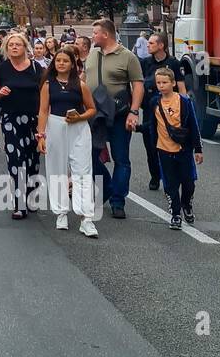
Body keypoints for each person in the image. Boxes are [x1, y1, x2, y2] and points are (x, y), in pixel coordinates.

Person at [85, 18, 144, 220]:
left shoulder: (128, 57)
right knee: (88, 157)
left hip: (119, 115)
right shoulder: (92, 55)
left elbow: (137, 85)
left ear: (106, 34)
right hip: (95, 115)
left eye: (95, 33)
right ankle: (108, 187)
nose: (93, 36)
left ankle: (118, 201)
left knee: (121, 159)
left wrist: (134, 112)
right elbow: (84, 80)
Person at [37, 45, 98, 237]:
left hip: (78, 128)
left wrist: (79, 117)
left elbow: (91, 109)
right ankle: (61, 211)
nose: (61, 64)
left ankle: (86, 217)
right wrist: (41, 135)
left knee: (82, 171)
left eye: (65, 61)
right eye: (58, 61)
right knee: (57, 170)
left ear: (73, 64)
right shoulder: (48, 85)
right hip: (54, 127)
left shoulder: (80, 84)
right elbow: (43, 110)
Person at [0, 31, 43, 219]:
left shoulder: (37, 69)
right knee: (15, 159)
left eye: (17, 44)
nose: (14, 47)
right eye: (10, 45)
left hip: (33, 120)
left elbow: (45, 96)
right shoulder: (1, 69)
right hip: (10, 118)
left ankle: (32, 196)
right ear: (5, 48)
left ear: (25, 47)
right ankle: (19, 204)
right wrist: (0, 94)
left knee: (32, 159)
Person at [150, 67, 203, 229]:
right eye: (158, 83)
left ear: (173, 83)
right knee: (170, 184)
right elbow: (152, 125)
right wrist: (137, 128)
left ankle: (186, 204)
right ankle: (175, 214)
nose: (161, 85)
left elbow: (193, 125)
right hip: (164, 149)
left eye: (165, 82)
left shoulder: (184, 101)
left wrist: (198, 149)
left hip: (183, 149)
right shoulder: (154, 102)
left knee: (188, 182)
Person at [140, 33, 188, 191]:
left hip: (170, 109)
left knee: (169, 143)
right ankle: (155, 175)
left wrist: (185, 105)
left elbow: (180, 86)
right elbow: (139, 85)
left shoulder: (173, 62)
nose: (148, 45)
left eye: (152, 43)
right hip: (150, 109)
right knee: (150, 144)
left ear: (161, 46)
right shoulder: (146, 62)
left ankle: (170, 176)